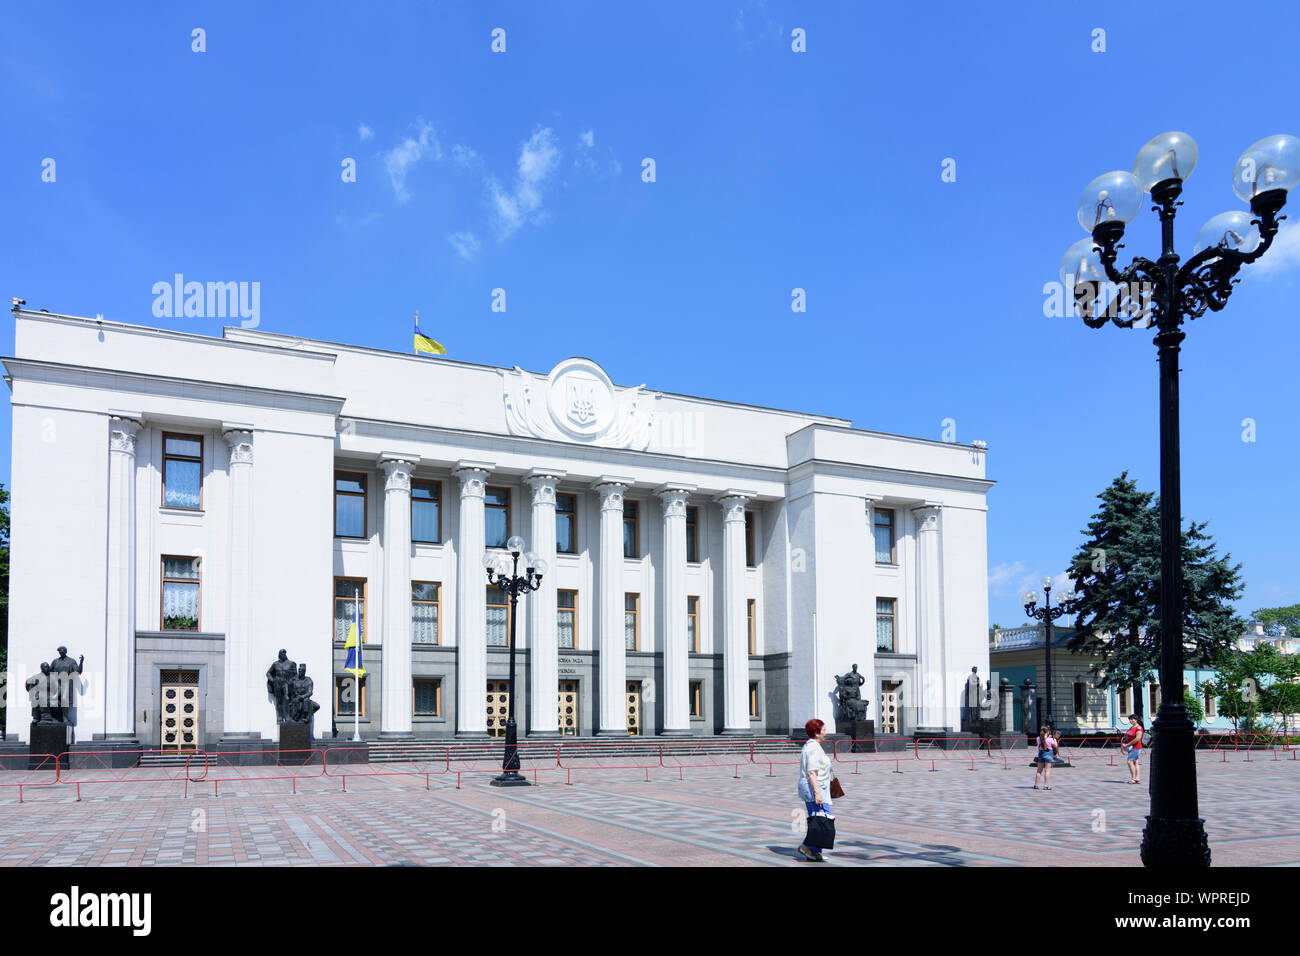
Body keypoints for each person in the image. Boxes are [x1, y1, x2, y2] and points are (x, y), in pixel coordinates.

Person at [796, 718, 834, 862]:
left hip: (816, 787)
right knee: (822, 818)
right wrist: (817, 793)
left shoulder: (812, 746)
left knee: (818, 819)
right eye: (823, 730)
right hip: (814, 788)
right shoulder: (813, 748)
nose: (826, 732)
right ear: (816, 733)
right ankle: (806, 846)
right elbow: (811, 772)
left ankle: (815, 851)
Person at [1120, 715, 1145, 784]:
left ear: (1136, 720)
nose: (1131, 721)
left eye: (1132, 719)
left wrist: (1127, 744)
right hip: (1131, 747)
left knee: (1130, 762)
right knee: (1135, 762)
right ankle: (1137, 778)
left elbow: (1137, 738)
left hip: (1136, 747)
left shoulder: (1139, 728)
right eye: (1130, 719)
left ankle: (1133, 778)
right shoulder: (1131, 727)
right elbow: (1128, 736)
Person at [1033, 725, 1057, 789]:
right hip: (1049, 754)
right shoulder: (1050, 739)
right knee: (1047, 771)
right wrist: (1054, 739)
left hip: (1041, 754)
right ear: (1048, 732)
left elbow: (1040, 744)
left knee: (1039, 771)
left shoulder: (1038, 738)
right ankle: (1045, 786)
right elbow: (1055, 746)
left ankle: (1036, 785)